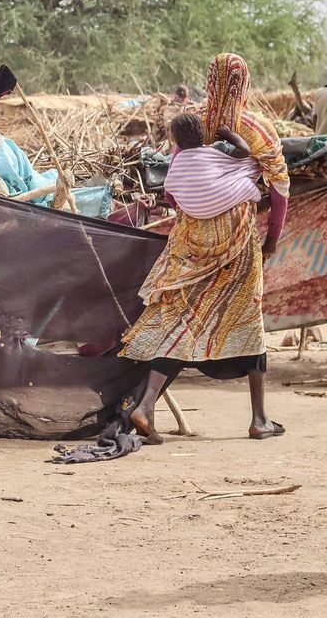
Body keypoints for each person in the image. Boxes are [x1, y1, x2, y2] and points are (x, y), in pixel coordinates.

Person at [119, 53, 289, 442]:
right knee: (249, 315)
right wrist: (272, 238)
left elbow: (176, 179)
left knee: (181, 318)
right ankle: (259, 419)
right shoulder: (257, 129)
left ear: (209, 81)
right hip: (237, 241)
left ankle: (144, 406)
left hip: (191, 241)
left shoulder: (193, 121)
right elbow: (280, 190)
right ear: (243, 85)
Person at [163, 113, 262, 219]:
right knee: (246, 184)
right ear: (204, 133)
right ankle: (260, 203)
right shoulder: (217, 148)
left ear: (177, 143)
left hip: (194, 212)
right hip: (221, 199)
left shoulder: (178, 160)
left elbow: (169, 186)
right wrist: (229, 134)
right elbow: (245, 151)